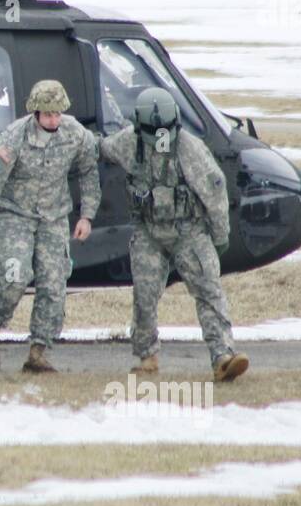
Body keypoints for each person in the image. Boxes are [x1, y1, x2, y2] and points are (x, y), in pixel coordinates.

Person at [98, 87, 248, 382]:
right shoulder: (128, 143)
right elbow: (100, 147)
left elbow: (215, 191)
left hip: (189, 232)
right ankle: (147, 357)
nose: (160, 137)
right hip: (149, 232)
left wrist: (220, 235)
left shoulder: (190, 149)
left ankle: (223, 356)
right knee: (144, 296)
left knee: (208, 291)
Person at [0, 79, 100, 373]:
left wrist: (86, 215)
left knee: (54, 283)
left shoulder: (75, 134)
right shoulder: (14, 137)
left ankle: (38, 351)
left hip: (54, 216)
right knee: (16, 275)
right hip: (15, 214)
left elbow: (89, 172)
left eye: (57, 114)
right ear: (36, 113)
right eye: (47, 115)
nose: (53, 120)